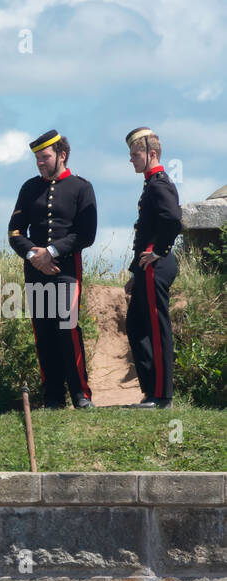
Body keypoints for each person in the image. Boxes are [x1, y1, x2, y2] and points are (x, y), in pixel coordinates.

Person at [8, 129, 98, 409]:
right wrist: (34, 254)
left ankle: (81, 394)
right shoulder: (29, 188)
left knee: (66, 329)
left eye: (45, 157)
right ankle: (53, 397)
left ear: (62, 155)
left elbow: (86, 234)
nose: (40, 163)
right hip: (35, 268)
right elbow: (15, 232)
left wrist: (52, 251)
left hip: (66, 268)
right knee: (43, 331)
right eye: (37, 158)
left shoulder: (81, 188)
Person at [123, 127, 181, 410]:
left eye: (136, 154)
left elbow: (173, 220)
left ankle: (163, 396)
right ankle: (151, 392)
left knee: (157, 329)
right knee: (136, 325)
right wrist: (136, 272)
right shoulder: (151, 184)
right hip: (147, 268)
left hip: (158, 266)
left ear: (152, 154)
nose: (132, 159)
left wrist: (158, 251)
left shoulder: (159, 184)